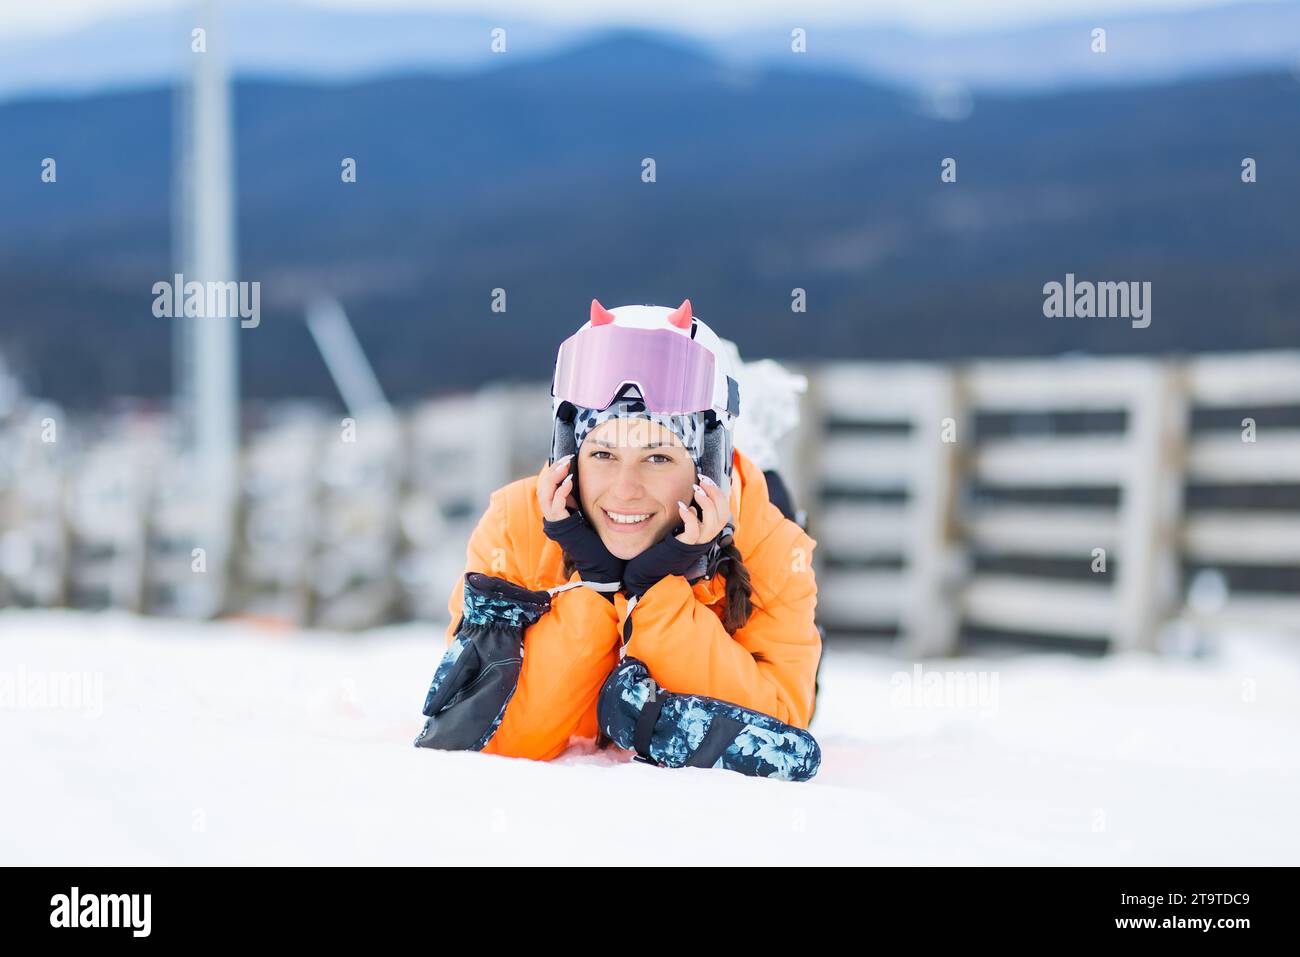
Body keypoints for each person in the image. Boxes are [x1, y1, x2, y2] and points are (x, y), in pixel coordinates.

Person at [415, 299, 822, 777]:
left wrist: (657, 593)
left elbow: (778, 741)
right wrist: (595, 588)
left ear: (703, 466)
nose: (625, 491)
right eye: (603, 454)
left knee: (774, 494)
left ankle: (757, 430)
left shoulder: (774, 547)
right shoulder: (514, 528)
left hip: (741, 535)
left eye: (658, 458)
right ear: (569, 455)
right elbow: (482, 734)